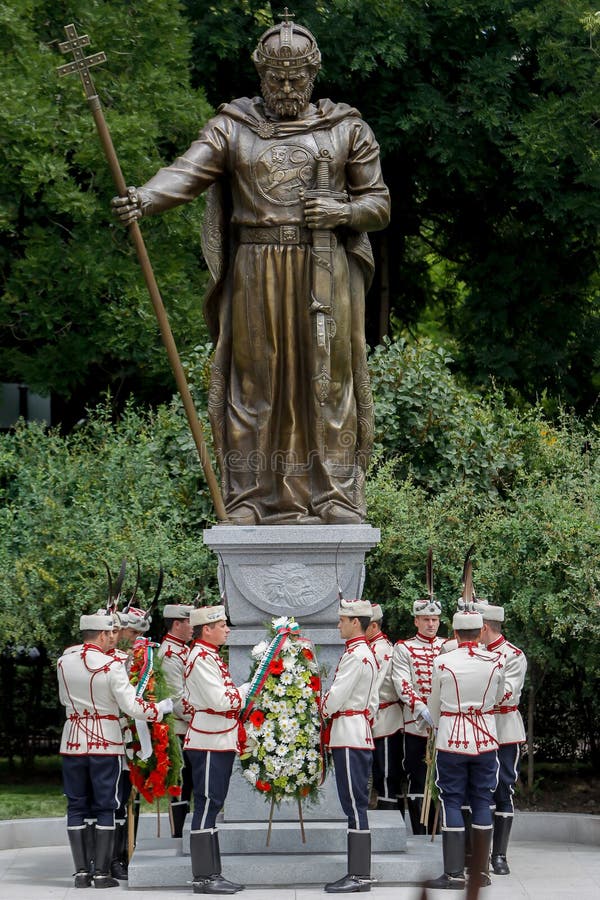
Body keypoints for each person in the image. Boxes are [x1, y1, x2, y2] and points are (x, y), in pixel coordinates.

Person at [112, 13, 390, 526]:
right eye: (275, 78)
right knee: (253, 380)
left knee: (327, 382)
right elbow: (187, 170)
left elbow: (379, 203)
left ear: (313, 74)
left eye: (296, 77)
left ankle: (334, 495)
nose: (286, 87)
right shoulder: (233, 128)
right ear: (261, 76)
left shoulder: (347, 129)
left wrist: (342, 212)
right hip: (256, 269)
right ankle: (249, 498)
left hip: (323, 266)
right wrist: (145, 197)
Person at [57, 613, 172, 889]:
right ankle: (101, 874)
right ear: (100, 635)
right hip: (105, 743)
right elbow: (132, 706)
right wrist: (160, 709)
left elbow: (64, 698)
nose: (114, 637)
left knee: (76, 806)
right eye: (110, 633)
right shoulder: (111, 666)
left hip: (72, 740)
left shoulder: (64, 661)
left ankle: (82, 873)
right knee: (106, 805)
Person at [425, 610, 505, 891]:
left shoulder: (443, 661)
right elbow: (496, 698)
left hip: (452, 739)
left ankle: (454, 873)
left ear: (456, 634)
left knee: (451, 800)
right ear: (480, 631)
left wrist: (436, 726)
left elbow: (434, 704)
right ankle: (481, 872)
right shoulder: (496, 660)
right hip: (485, 739)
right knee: (483, 800)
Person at [183, 605, 245, 895]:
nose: (227, 629)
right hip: (209, 739)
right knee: (207, 803)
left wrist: (242, 691)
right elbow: (221, 700)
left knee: (212, 804)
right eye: (222, 625)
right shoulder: (200, 657)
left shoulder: (209, 656)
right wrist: (243, 693)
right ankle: (204, 877)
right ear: (206, 629)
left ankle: (211, 873)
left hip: (218, 738)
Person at [321, 598, 379, 893]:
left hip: (349, 734)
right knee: (355, 803)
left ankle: (359, 875)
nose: (339, 624)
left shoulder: (356, 656)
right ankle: (359, 873)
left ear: (356, 622)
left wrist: (321, 707)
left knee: (354, 805)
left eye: (343, 620)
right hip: (359, 730)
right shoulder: (364, 653)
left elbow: (336, 697)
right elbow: (373, 703)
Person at [475, 599, 527, 875]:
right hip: (480, 728)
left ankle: (499, 855)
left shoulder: (514, 656)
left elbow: (504, 694)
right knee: (479, 789)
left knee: (504, 788)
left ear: (484, 627)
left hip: (504, 728)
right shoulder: (474, 653)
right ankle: (479, 852)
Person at [391, 596, 445, 834]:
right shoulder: (404, 648)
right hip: (417, 724)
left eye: (434, 619)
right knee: (417, 774)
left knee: (442, 777)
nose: (431, 624)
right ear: (416, 621)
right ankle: (420, 831)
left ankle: (440, 830)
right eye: (426, 619)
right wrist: (420, 707)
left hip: (443, 724)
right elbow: (401, 681)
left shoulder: (447, 646)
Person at [158, 602, 194, 839]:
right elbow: (176, 698)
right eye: (190, 622)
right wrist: (202, 718)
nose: (194, 627)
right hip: (181, 728)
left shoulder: (183, 649)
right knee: (181, 783)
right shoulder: (170, 654)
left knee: (191, 781)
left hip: (189, 727)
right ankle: (178, 835)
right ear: (177, 624)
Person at [365, 603, 403, 812]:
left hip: (386, 719)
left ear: (373, 626)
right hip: (374, 719)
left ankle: (390, 822)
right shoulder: (370, 647)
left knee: (387, 775)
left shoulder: (382, 649)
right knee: (378, 774)